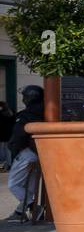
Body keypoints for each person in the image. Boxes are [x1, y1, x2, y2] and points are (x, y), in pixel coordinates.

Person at [7, 86, 44, 222]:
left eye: (24, 96)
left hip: (26, 152)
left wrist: (14, 149)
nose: (23, 99)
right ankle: (19, 212)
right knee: (30, 186)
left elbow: (18, 136)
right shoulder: (44, 111)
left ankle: (34, 207)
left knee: (14, 184)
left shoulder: (26, 115)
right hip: (39, 152)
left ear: (30, 98)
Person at [0, 99, 14, 172]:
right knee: (8, 152)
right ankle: (8, 166)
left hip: (2, 136)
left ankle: (3, 166)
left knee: (2, 153)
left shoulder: (1, 114)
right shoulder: (11, 113)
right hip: (9, 135)